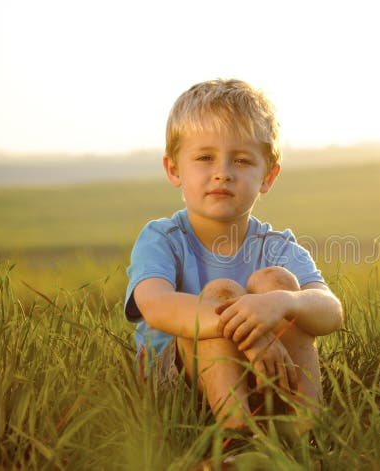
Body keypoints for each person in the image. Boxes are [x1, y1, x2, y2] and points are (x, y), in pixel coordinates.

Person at [123, 79, 344, 439]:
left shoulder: (277, 245)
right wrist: (253, 335)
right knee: (220, 289)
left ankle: (306, 432)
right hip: (177, 389)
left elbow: (331, 311)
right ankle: (234, 436)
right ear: (174, 169)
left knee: (278, 282)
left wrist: (282, 303)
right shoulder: (162, 239)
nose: (222, 171)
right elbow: (156, 305)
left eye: (241, 160)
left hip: (266, 375)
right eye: (204, 157)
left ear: (267, 177)